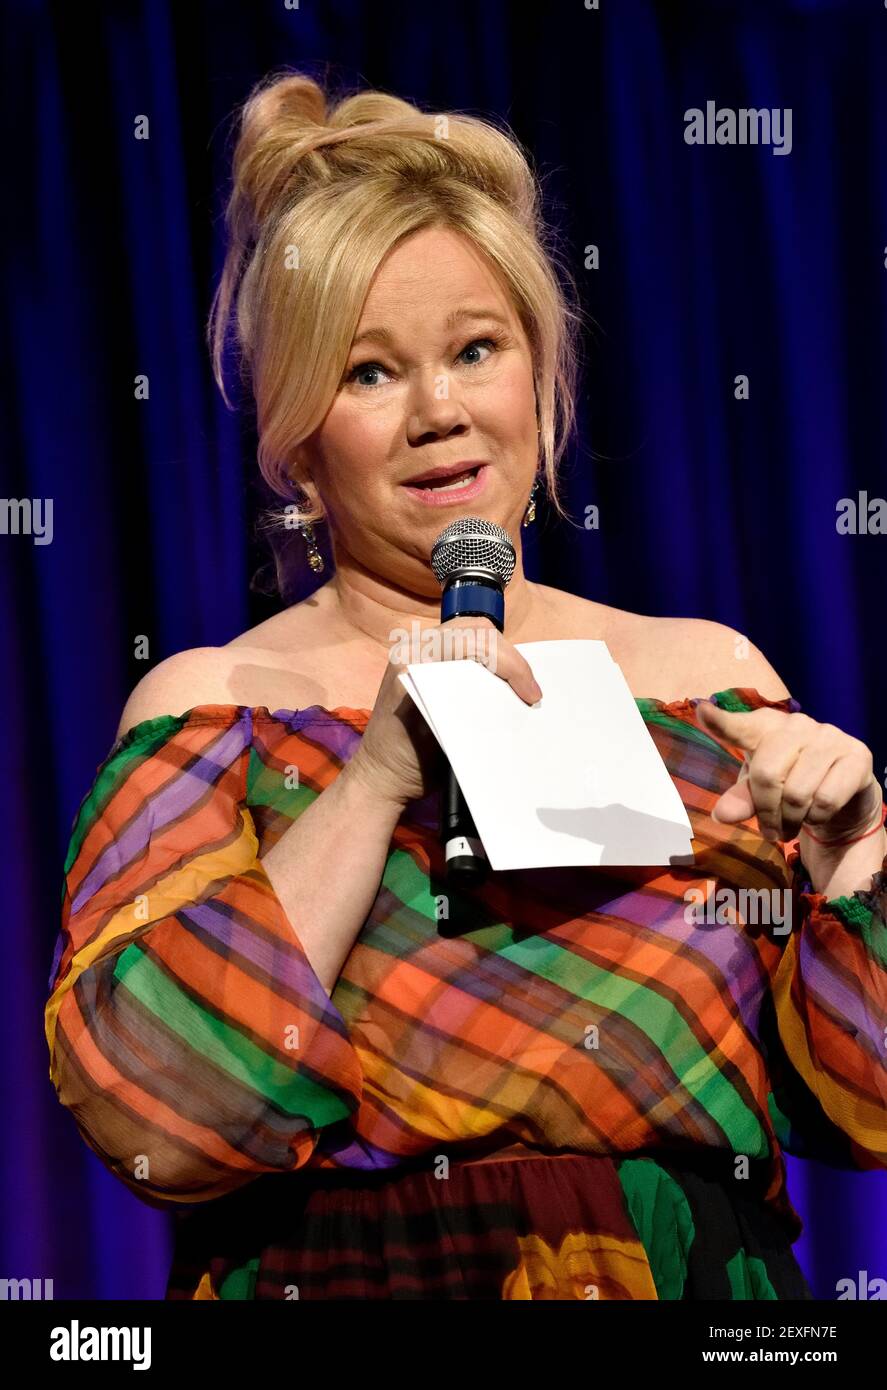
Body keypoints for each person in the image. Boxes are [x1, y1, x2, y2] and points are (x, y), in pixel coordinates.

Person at [45, 71, 887, 1301]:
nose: (439, 411)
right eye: (369, 372)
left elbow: (868, 1099)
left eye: (475, 350)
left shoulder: (702, 681)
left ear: (540, 377)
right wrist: (375, 776)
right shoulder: (219, 706)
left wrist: (852, 855)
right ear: (292, 437)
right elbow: (152, 1111)